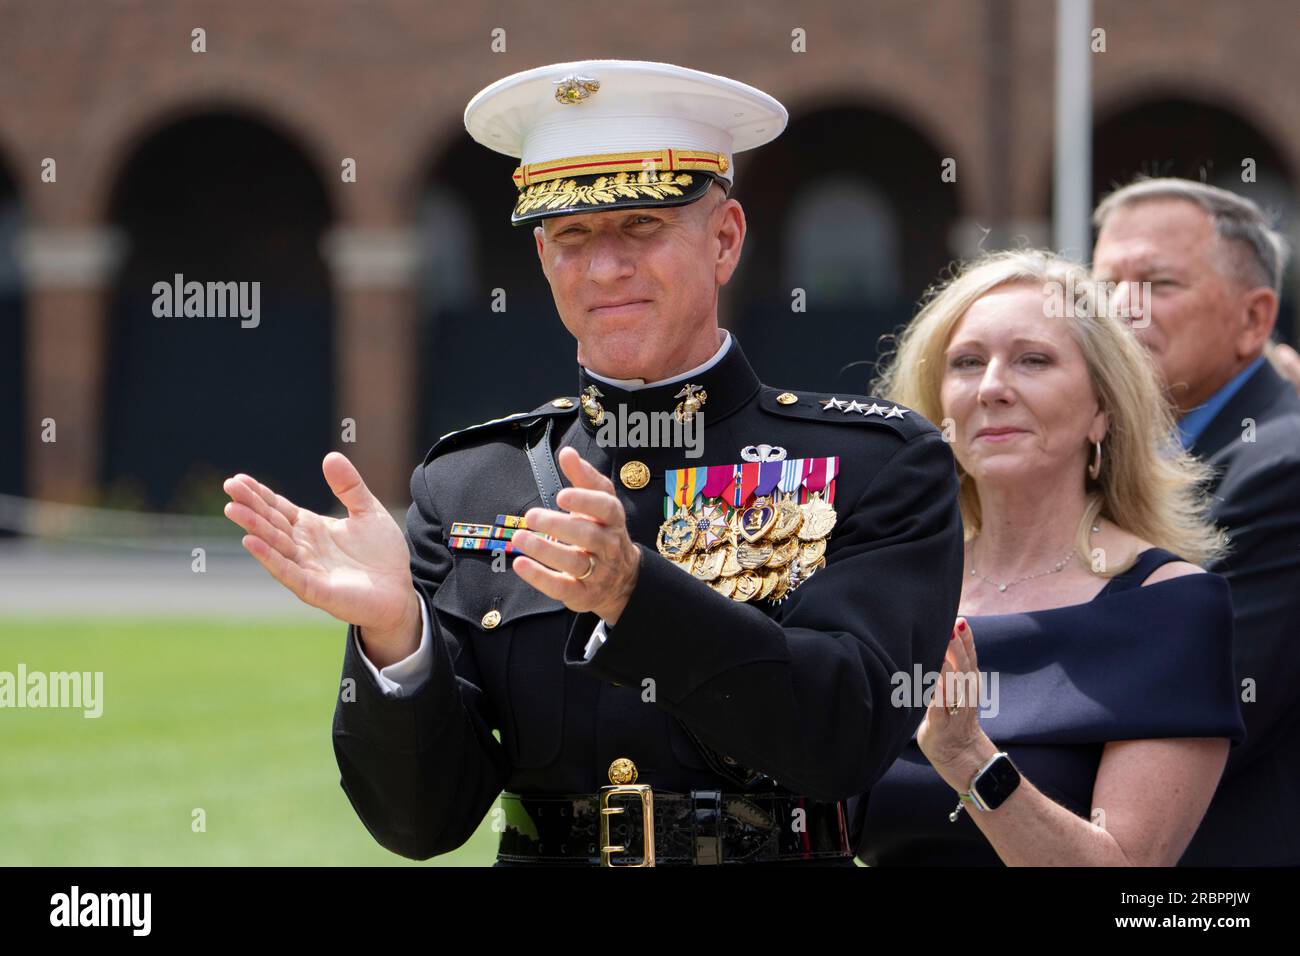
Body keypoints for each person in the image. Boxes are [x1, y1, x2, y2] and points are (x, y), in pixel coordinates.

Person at [221, 59, 965, 866]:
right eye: (572, 237)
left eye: (642, 226)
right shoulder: (469, 481)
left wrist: (636, 596)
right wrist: (396, 637)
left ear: (725, 239)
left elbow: (841, 738)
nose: (605, 267)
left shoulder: (877, 463)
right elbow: (420, 826)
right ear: (543, 257)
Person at [853, 251, 1245, 865]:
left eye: (1033, 360)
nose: (992, 388)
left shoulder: (1168, 604)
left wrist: (970, 760)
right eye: (967, 363)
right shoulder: (893, 591)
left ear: (1101, 410)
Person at [1092, 177, 1300, 866]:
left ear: (1253, 319)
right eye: (1104, 285)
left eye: (1160, 283)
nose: (1123, 308)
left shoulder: (1280, 471)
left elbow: (1203, 705)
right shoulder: (1121, 459)